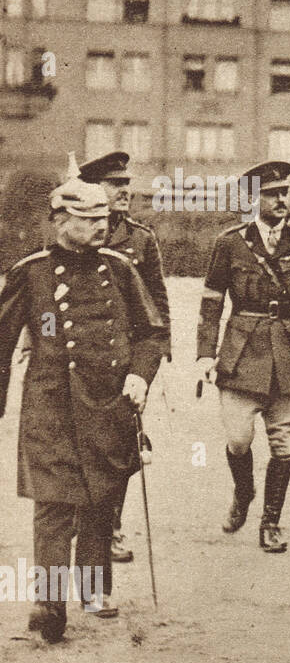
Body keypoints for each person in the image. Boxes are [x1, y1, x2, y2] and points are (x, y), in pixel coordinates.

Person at [0, 178, 168, 641]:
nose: (102, 226)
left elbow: (153, 332)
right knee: (53, 505)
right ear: (60, 221)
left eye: (105, 218)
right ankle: (49, 606)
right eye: (89, 219)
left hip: (110, 399)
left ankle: (93, 588)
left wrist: (140, 374)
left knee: (101, 496)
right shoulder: (30, 272)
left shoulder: (119, 268)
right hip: (50, 405)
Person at [197, 162, 290, 554]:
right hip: (241, 353)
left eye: (284, 193)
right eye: (271, 194)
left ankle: (271, 522)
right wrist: (204, 355)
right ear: (251, 199)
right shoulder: (230, 243)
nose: (280, 201)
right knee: (239, 440)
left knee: (283, 443)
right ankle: (244, 493)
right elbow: (212, 302)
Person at [78, 150, 172, 565]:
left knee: (123, 446)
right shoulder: (71, 231)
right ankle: (86, 524)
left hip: (127, 360)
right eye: (115, 185)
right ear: (95, 188)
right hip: (82, 359)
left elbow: (158, 300)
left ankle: (110, 526)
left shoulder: (141, 238)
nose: (125, 192)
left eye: (126, 185)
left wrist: (156, 356)